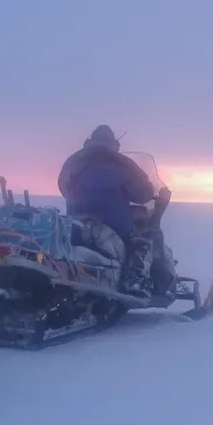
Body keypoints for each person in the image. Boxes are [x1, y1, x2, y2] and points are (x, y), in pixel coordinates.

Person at [57, 125, 157, 299]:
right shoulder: (123, 166)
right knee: (142, 240)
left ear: (90, 141)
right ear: (113, 144)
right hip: (113, 224)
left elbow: (63, 187)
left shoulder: (73, 163)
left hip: (76, 220)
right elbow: (143, 193)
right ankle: (135, 282)